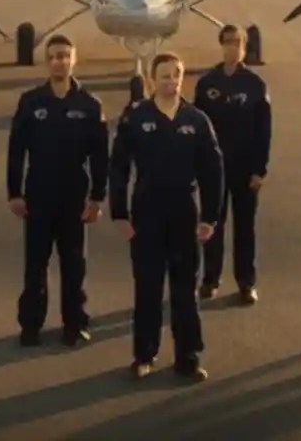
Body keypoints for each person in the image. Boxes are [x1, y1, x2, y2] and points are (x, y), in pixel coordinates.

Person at [110, 52, 224, 382]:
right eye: (164, 75)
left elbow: (213, 172)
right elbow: (118, 167)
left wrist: (210, 217)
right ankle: (144, 355)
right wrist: (119, 212)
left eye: (176, 74)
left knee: (184, 289)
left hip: (183, 212)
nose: (171, 80)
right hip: (147, 210)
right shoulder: (136, 117)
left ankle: (188, 356)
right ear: (151, 79)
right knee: (147, 287)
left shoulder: (197, 120)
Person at [7, 34, 110, 347]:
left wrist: (97, 197)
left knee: (74, 264)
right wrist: (14, 192)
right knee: (35, 264)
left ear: (74, 58)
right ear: (46, 61)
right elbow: (16, 150)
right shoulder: (30, 102)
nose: (59, 61)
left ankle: (74, 324)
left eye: (65, 55)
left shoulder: (90, 105)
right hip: (38, 194)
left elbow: (101, 156)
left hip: (73, 196)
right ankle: (31, 325)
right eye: (53, 56)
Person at [193, 24, 272, 304]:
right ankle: (210, 279)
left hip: (245, 169)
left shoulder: (255, 85)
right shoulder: (207, 84)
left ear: (244, 47)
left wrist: (260, 169)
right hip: (214, 169)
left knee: (245, 228)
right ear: (221, 45)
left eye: (238, 43)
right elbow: (198, 128)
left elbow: (264, 130)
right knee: (212, 224)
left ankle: (246, 282)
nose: (232, 47)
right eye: (228, 42)